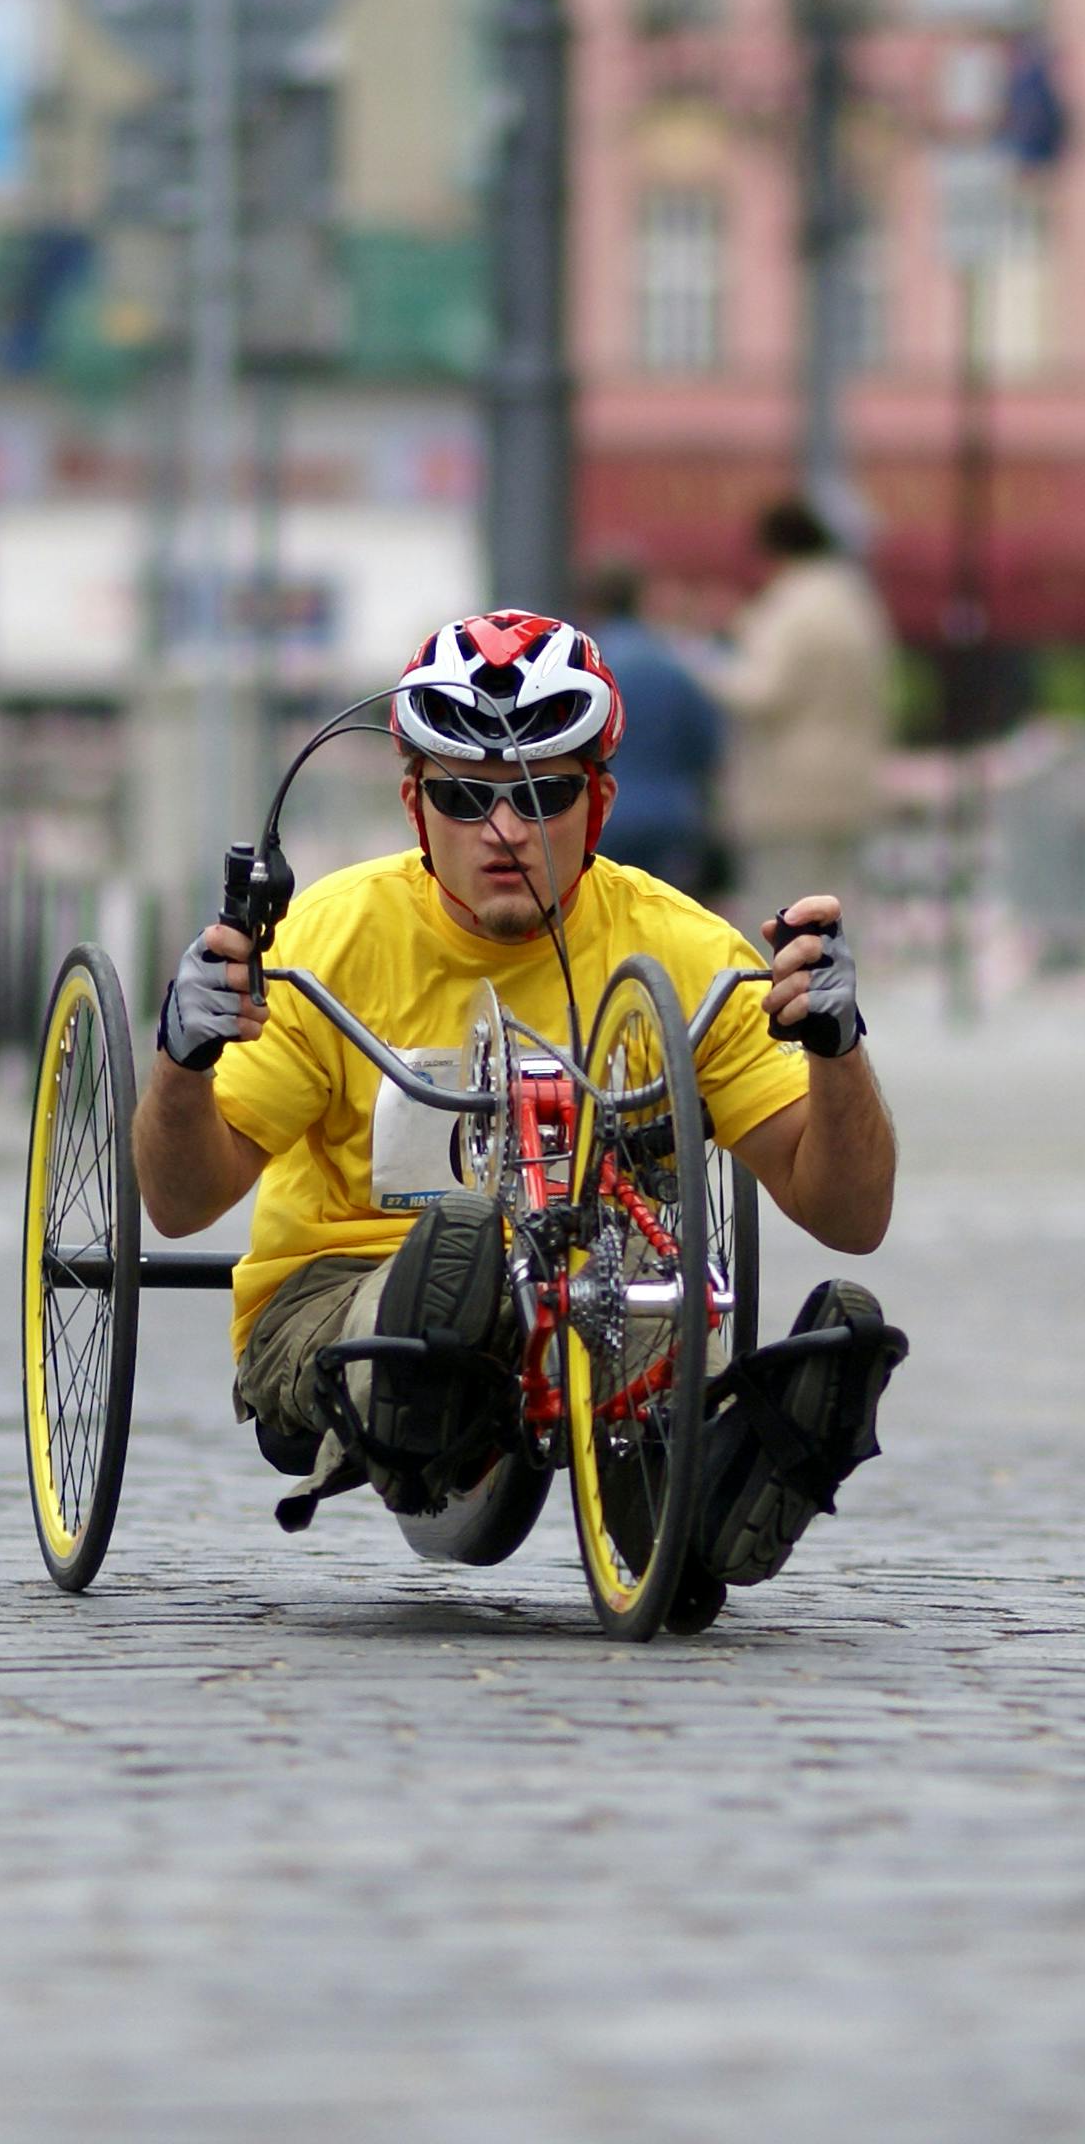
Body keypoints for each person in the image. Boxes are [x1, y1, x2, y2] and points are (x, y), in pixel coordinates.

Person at [135, 608, 909, 1628]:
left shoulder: (686, 953)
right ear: (417, 805)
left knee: (681, 1463)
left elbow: (848, 1213)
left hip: (608, 1302)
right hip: (343, 1299)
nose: (505, 831)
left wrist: (838, 1050)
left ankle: (725, 1486)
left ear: (599, 805)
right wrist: (184, 1061)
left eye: (543, 796)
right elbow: (182, 1202)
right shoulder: (331, 937)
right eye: (467, 797)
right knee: (465, 1251)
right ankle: (436, 1400)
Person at [708, 498, 899, 918]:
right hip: (852, 783)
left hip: (787, 791)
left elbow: (761, 691)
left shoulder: (788, 608)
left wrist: (705, 668)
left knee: (782, 915)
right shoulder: (858, 603)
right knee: (838, 916)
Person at [580, 560, 726, 895]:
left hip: (600, 817)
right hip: (670, 816)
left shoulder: (582, 669)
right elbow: (708, 746)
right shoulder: (674, 664)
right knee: (663, 918)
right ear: (639, 599)